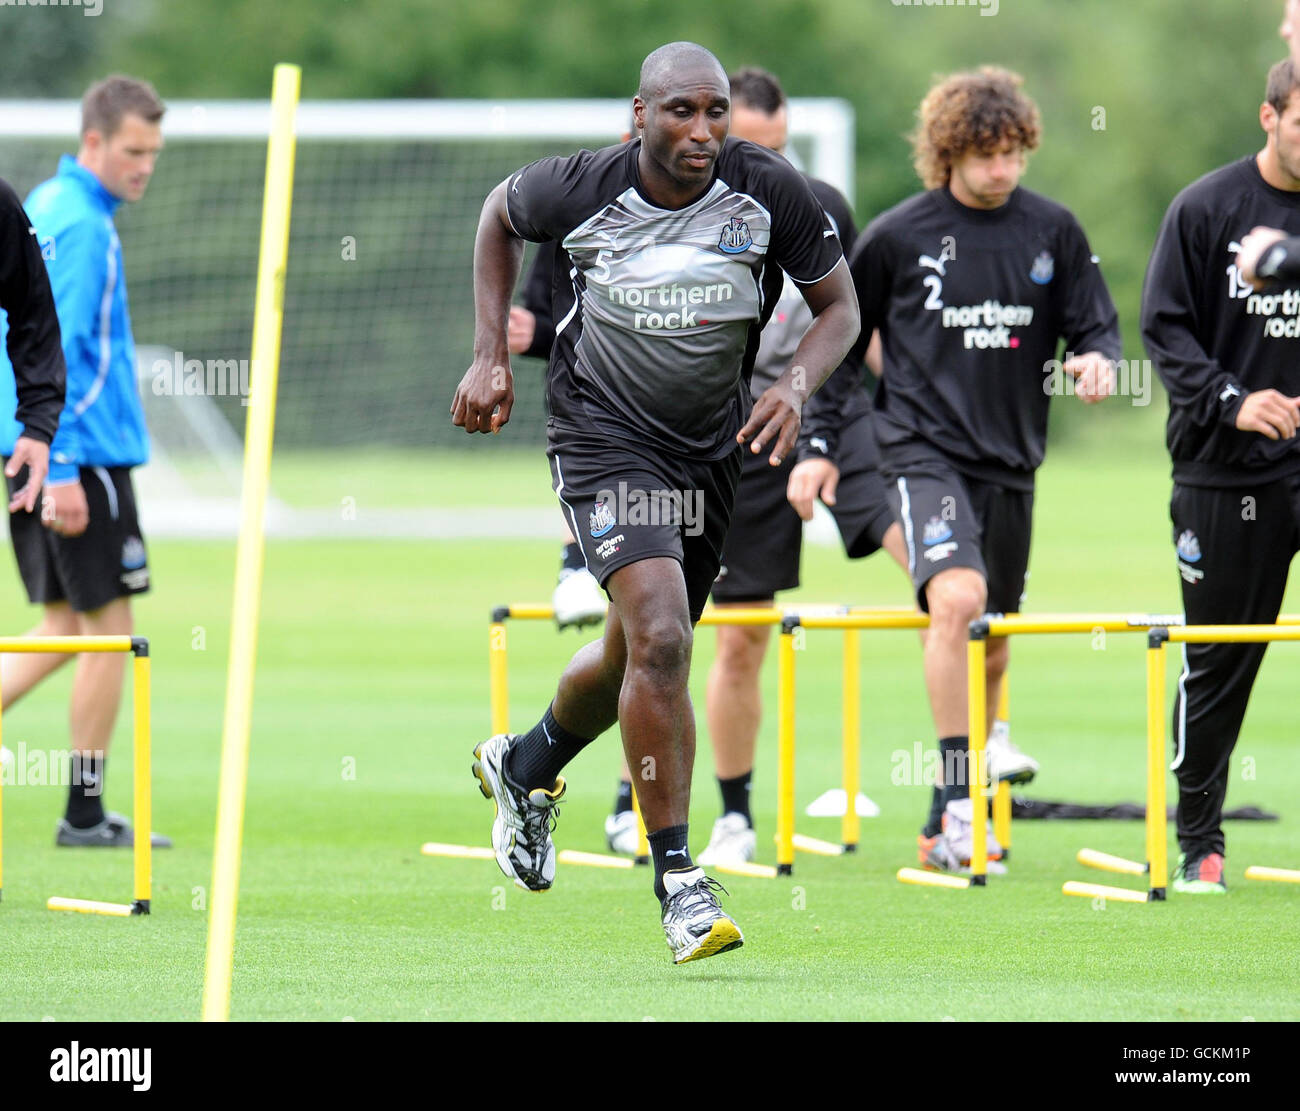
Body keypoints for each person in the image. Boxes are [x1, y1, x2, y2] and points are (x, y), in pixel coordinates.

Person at [451, 41, 859, 962]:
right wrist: (486, 352)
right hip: (602, 435)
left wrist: (794, 386)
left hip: (711, 448)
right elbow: (497, 217)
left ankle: (525, 765)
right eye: (681, 111)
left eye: (716, 111)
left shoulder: (769, 191)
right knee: (667, 637)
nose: (703, 130)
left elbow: (841, 309)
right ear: (640, 116)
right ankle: (680, 879)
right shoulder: (580, 186)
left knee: (635, 651)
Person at [848, 66, 1120, 874]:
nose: (1003, 169)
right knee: (959, 602)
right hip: (920, 450)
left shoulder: (1054, 230)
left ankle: (945, 820)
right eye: (987, 155)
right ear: (948, 152)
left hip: (1013, 461)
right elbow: (837, 335)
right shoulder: (898, 235)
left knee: (991, 641)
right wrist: (824, 446)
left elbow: (1095, 325)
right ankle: (964, 805)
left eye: (1014, 154)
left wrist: (1099, 363)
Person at [1141, 57, 1300, 894]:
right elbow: (1162, 328)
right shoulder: (1206, 207)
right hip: (1224, 467)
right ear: (1269, 115)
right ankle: (1200, 839)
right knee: (1222, 660)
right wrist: (1234, 400)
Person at [0, 76, 172, 849]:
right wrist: (63, 461)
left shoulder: (50, 203)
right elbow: (52, 342)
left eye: (154, 154)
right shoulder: (78, 222)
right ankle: (82, 813)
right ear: (94, 142)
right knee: (109, 632)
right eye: (133, 151)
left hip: (45, 449)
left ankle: (82, 809)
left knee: (64, 625)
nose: (145, 166)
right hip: (79, 455)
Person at [508, 238, 608, 631]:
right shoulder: (570, 199)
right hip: (587, 394)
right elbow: (537, 321)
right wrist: (531, 335)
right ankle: (576, 568)